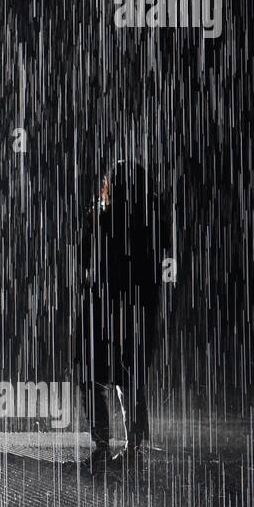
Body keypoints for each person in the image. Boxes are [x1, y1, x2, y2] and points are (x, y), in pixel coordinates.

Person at [77, 160, 159, 453]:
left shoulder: (104, 217)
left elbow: (89, 258)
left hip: (105, 306)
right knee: (130, 376)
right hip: (138, 308)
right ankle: (134, 444)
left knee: (91, 375)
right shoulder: (151, 219)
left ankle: (101, 444)